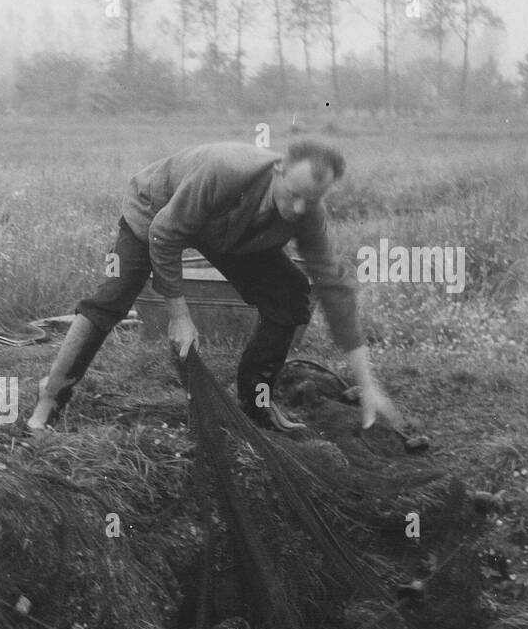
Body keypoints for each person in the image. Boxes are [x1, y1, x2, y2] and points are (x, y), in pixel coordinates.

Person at [25, 139, 400, 434]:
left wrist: (368, 384)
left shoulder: (306, 213)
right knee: (114, 297)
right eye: (293, 194)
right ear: (279, 170)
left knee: (289, 295)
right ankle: (51, 396)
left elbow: (334, 289)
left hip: (227, 231)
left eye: (311, 201)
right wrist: (179, 313)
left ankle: (257, 403)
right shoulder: (225, 170)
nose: (299, 209)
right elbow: (164, 233)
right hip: (158, 210)